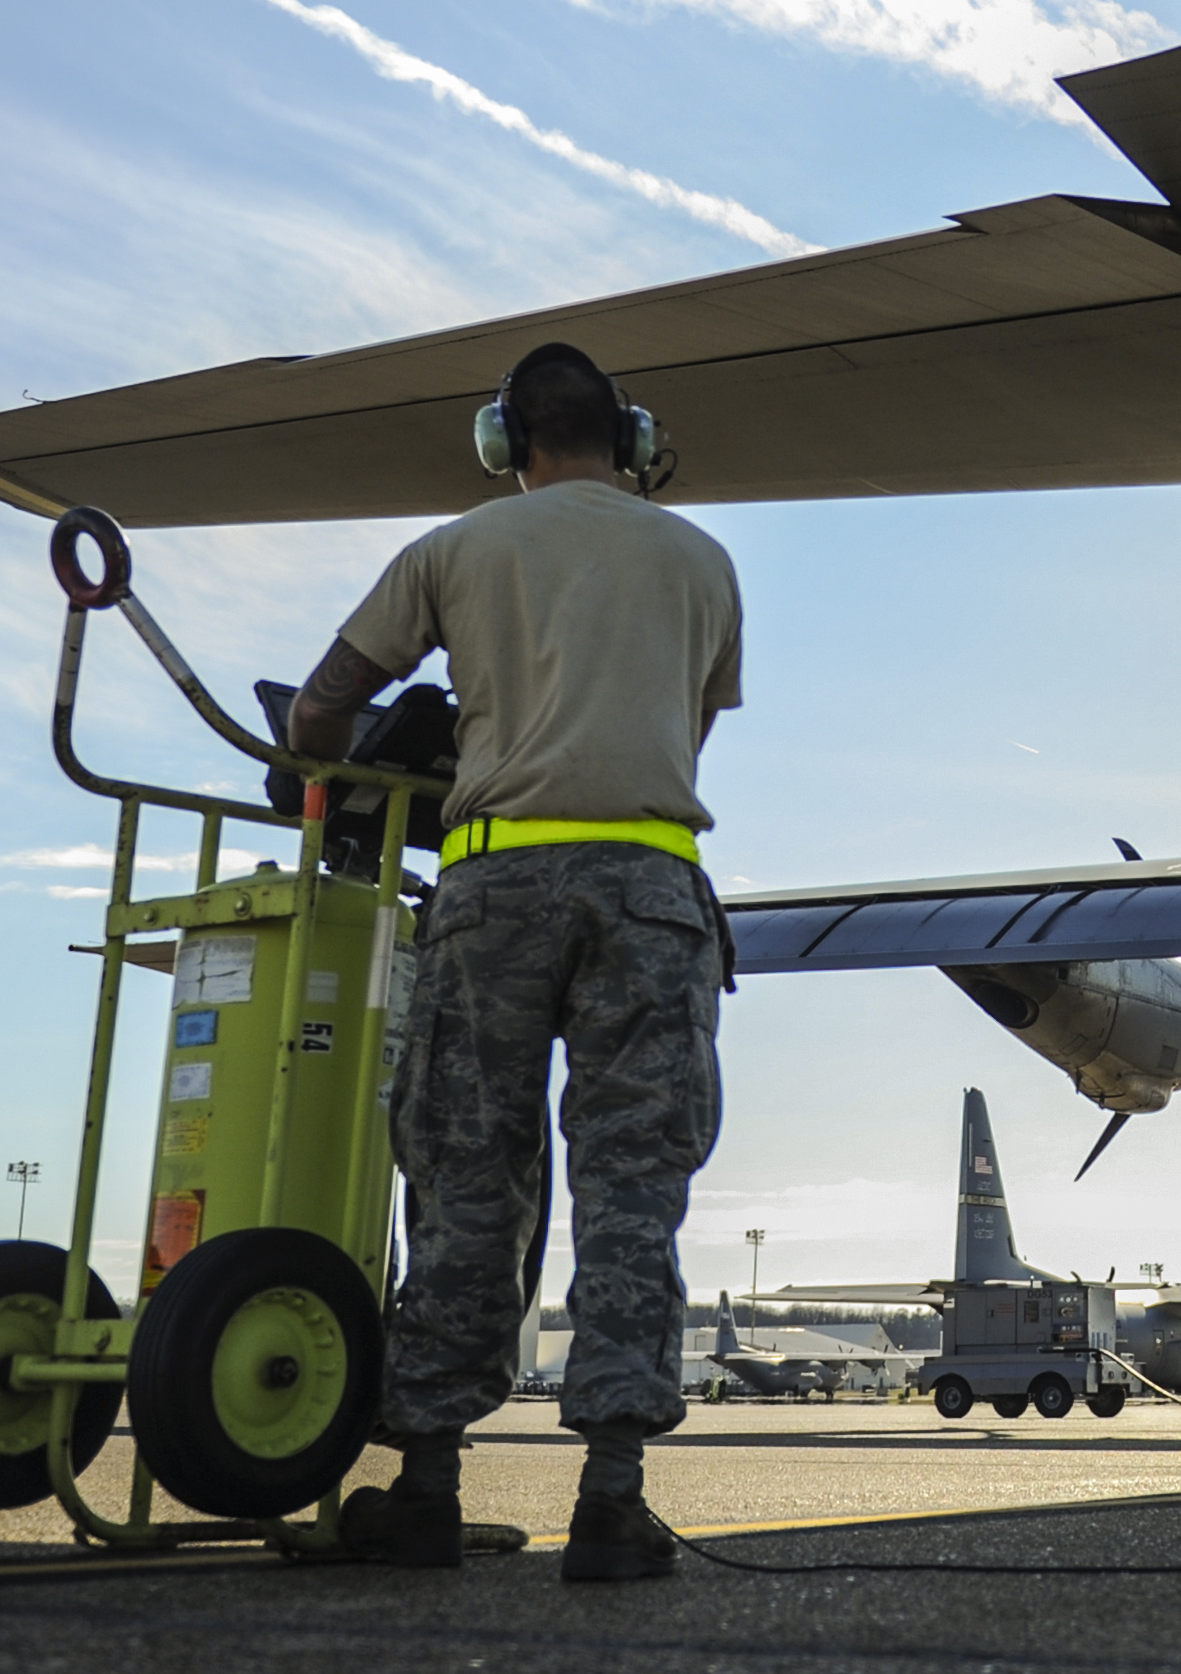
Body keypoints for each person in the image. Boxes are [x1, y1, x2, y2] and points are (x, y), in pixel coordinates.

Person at [288, 341, 740, 1582]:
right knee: (633, 1188)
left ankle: (427, 1488)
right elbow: (687, 729)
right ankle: (613, 1500)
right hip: (651, 891)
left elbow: (318, 714)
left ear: (507, 442)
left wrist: (417, 746)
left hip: (493, 888)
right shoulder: (702, 562)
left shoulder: (453, 550)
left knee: (469, 1178)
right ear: (631, 439)